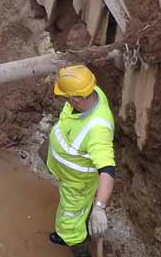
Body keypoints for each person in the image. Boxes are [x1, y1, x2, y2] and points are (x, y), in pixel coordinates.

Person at [47, 65, 115, 256]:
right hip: (65, 173)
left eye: (67, 97)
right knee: (72, 213)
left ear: (76, 99)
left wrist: (99, 207)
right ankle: (73, 228)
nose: (65, 100)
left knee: (70, 223)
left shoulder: (97, 129)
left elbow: (107, 170)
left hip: (77, 184)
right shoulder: (90, 92)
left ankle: (77, 245)